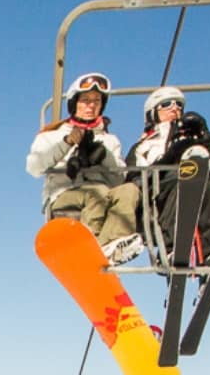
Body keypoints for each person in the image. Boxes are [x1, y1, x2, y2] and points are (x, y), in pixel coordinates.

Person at [26, 72, 144, 265]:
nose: (91, 106)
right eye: (86, 100)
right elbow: (34, 166)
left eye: (96, 101)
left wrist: (103, 156)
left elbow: (118, 180)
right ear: (75, 103)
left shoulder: (109, 140)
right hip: (64, 194)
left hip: (102, 194)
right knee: (96, 191)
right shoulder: (53, 135)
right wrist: (66, 143)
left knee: (129, 190)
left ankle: (108, 245)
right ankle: (89, 246)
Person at [126, 86, 210, 264]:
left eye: (179, 105)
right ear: (153, 112)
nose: (175, 108)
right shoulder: (145, 144)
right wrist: (168, 158)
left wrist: (205, 139)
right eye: (166, 104)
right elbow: (134, 179)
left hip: (202, 184)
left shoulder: (199, 135)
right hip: (165, 186)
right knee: (179, 183)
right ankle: (171, 248)